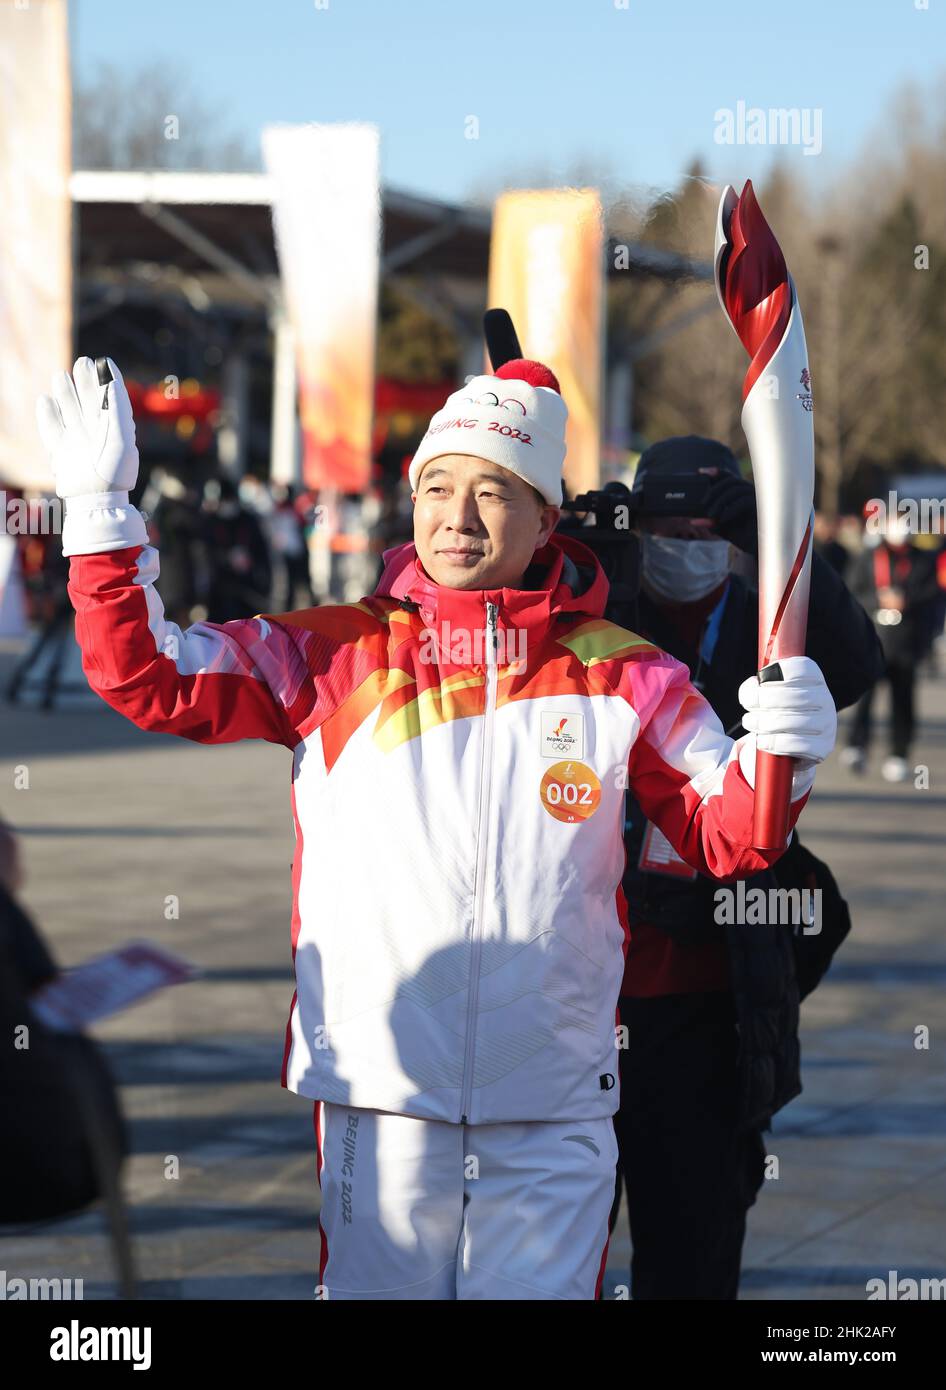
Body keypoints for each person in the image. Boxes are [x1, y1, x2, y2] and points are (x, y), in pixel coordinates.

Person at [38, 356, 838, 1301]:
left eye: (494, 492)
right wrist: (101, 519)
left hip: (552, 1105)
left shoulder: (627, 676)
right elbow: (148, 677)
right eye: (437, 487)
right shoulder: (333, 654)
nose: (458, 517)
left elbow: (730, 836)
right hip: (380, 1096)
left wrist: (785, 759)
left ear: (546, 518)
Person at [600, 435, 883, 1300]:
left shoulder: (765, 622)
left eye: (706, 533)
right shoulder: (601, 615)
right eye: (667, 530)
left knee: (692, 1254)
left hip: (710, 999)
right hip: (582, 995)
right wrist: (582, 549)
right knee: (548, 1255)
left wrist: (780, 545)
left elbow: (855, 666)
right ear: (639, 529)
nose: (686, 549)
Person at [843, 514, 941, 781]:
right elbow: (852, 590)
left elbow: (932, 593)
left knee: (903, 700)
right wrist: (879, 600)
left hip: (907, 641)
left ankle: (899, 753)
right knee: (865, 697)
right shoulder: (869, 557)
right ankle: (857, 745)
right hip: (873, 639)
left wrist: (906, 600)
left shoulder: (923, 559)